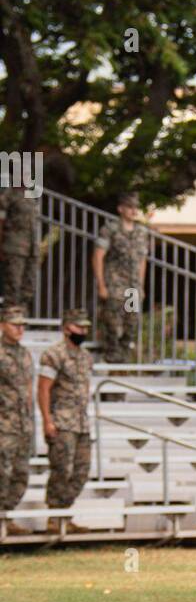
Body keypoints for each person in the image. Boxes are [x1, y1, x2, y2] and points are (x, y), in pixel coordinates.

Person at [37, 307, 94, 534]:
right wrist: (47, 421)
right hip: (62, 421)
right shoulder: (53, 354)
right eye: (78, 327)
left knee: (81, 470)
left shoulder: (86, 357)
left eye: (85, 327)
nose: (83, 331)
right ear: (66, 328)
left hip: (81, 422)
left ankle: (64, 512)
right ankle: (55, 516)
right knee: (61, 469)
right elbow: (43, 389)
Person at [93, 193, 149, 362]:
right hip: (114, 283)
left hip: (132, 287)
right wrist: (101, 284)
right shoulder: (110, 229)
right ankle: (111, 353)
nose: (133, 211)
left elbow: (142, 261)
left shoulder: (141, 232)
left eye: (135, 208)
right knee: (112, 320)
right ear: (121, 209)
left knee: (131, 321)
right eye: (130, 207)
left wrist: (141, 286)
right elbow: (98, 256)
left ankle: (123, 354)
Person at [0, 304, 34, 534]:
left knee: (21, 474)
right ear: (3, 326)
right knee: (2, 472)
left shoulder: (25, 354)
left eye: (23, 325)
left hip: (22, 424)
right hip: (4, 423)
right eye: (15, 324)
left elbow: (29, 388)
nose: (20, 329)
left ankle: (6, 517)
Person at [0, 184, 40, 312]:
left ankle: (20, 317)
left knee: (29, 288)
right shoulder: (9, 193)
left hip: (31, 249)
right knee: (13, 287)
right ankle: (10, 320)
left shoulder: (32, 195)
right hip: (14, 247)